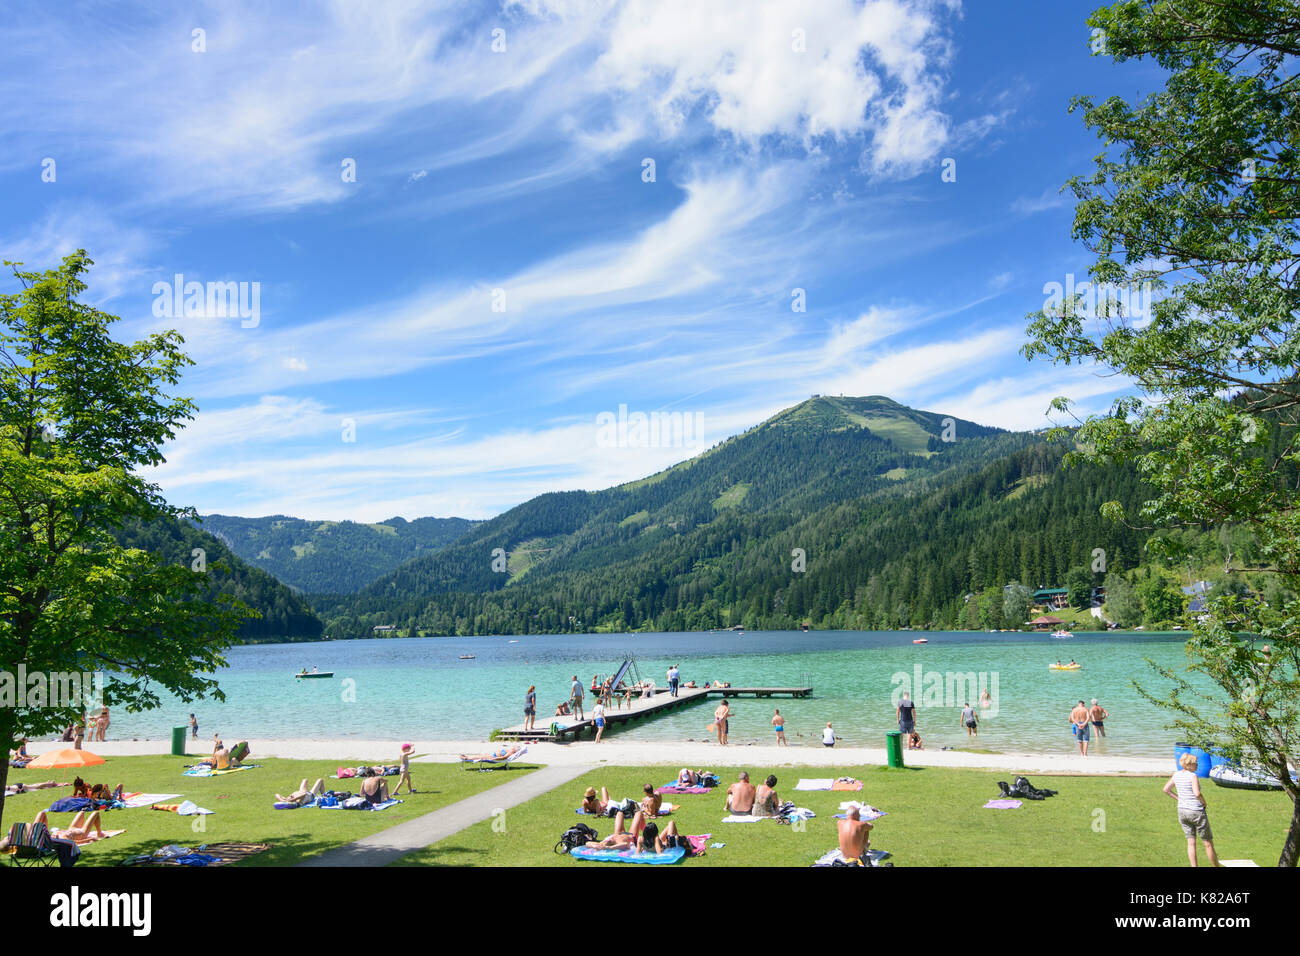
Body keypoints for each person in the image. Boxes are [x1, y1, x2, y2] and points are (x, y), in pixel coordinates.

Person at [1163, 754, 1221, 867]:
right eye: (1195, 763)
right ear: (1188, 765)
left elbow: (1166, 789)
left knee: (1191, 843)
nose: (1197, 765)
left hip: (1182, 811)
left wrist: (1179, 799)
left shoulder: (1176, 774)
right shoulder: (1192, 776)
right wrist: (1204, 802)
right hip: (1196, 811)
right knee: (1208, 843)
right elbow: (1197, 793)